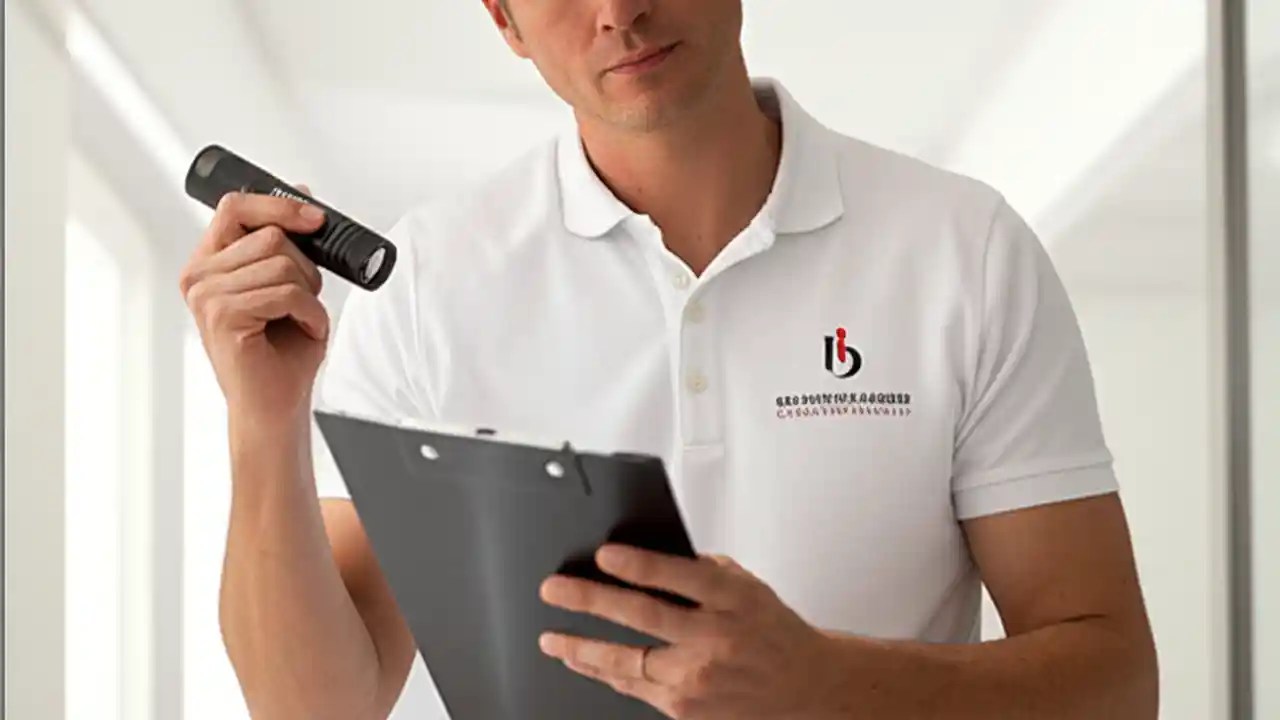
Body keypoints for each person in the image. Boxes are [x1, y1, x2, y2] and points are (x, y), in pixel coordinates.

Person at [179, 1, 1160, 717]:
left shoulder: (963, 250)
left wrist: (821, 684)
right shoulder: (427, 284)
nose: (619, 11)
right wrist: (263, 425)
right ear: (505, 20)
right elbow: (317, 707)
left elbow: (1113, 683)